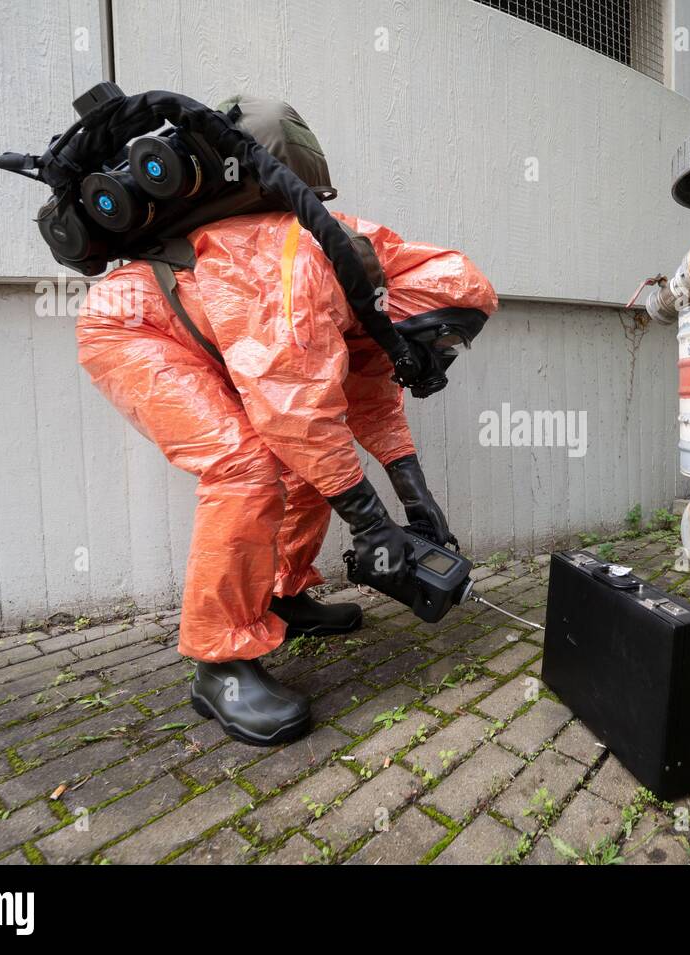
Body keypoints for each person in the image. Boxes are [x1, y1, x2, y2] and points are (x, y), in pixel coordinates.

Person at [75, 97, 497, 745]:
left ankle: (283, 594)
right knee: (243, 467)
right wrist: (373, 525)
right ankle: (218, 663)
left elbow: (368, 396)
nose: (445, 353)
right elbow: (294, 411)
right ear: (424, 310)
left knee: (304, 473)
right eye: (450, 338)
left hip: (206, 327)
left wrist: (416, 498)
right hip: (134, 329)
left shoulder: (369, 278)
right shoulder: (304, 266)